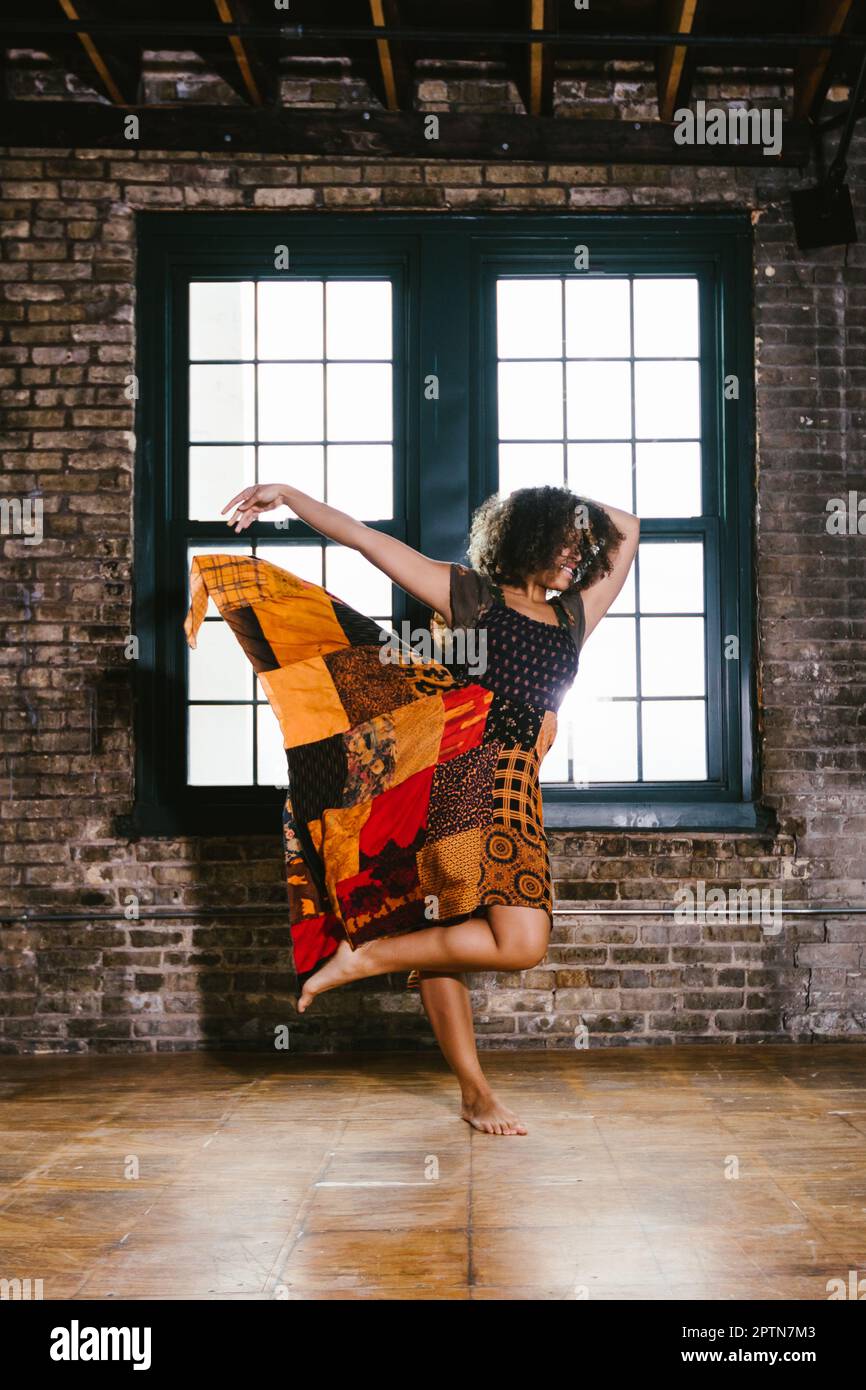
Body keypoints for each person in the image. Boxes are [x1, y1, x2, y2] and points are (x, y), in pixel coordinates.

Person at [206, 481, 639, 1134]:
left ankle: (472, 1090)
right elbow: (366, 540)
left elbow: (628, 528)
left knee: (448, 943)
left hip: (518, 789)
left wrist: (566, 510)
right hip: (465, 784)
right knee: (521, 943)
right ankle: (369, 958)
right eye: (565, 543)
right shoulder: (471, 597)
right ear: (528, 538)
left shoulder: (574, 616)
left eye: (582, 547)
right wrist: (292, 497)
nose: (577, 557)